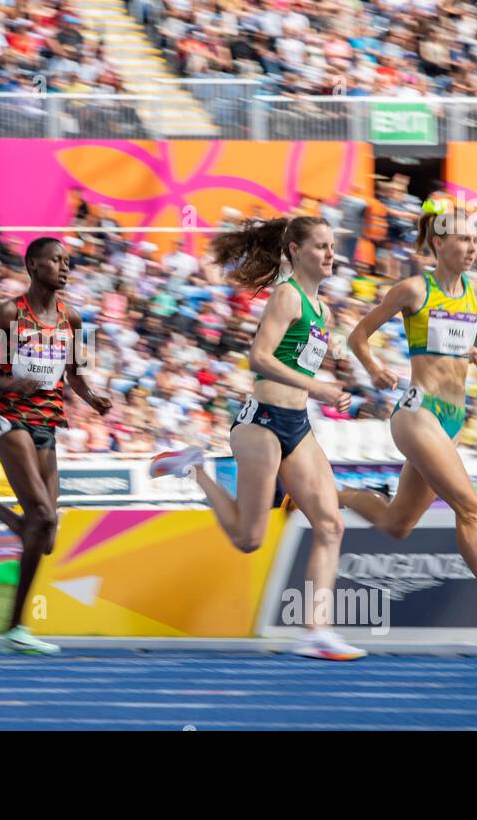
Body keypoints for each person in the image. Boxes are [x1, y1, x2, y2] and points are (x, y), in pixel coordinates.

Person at [339, 200, 477, 638]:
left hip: (453, 420)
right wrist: (376, 370)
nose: (473, 248)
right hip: (416, 412)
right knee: (472, 508)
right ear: (439, 243)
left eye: (476, 240)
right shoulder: (412, 290)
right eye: (464, 239)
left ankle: (333, 494)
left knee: (395, 525)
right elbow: (357, 335)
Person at [149, 217, 365, 660]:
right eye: (320, 246)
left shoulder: (322, 311)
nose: (330, 254)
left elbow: (300, 361)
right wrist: (320, 387)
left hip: (297, 424)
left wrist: (337, 378)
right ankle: (195, 470)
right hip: (261, 422)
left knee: (330, 524)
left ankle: (316, 631)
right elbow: (259, 358)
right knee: (250, 540)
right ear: (295, 252)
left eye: (332, 246)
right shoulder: (286, 296)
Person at [0, 237, 112, 655]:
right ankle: (15, 628)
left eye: (68, 262)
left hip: (48, 423)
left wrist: (93, 398)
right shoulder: (11, 314)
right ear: (33, 266)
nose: (65, 268)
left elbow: (76, 374)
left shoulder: (73, 319)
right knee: (44, 515)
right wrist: (11, 383)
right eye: (56, 260)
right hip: (8, 419)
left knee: (44, 536)